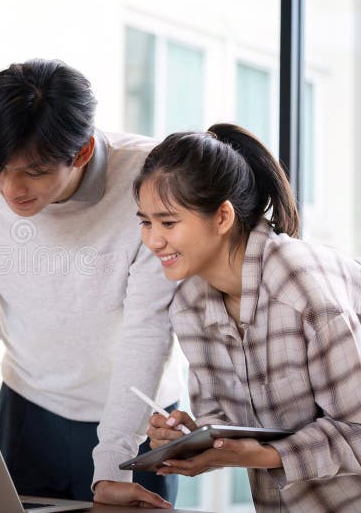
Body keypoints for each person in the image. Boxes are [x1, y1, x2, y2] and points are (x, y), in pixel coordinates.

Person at [0, 58, 185, 508]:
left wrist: (113, 461)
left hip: (138, 415)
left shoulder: (151, 178)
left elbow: (147, 332)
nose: (12, 189)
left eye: (34, 171)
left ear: (83, 151)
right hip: (29, 407)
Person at [134, 123, 361, 512]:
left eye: (168, 223)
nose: (153, 240)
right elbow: (230, 421)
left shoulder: (300, 286)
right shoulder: (188, 304)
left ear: (222, 217)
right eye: (145, 222)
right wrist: (191, 435)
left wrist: (258, 456)